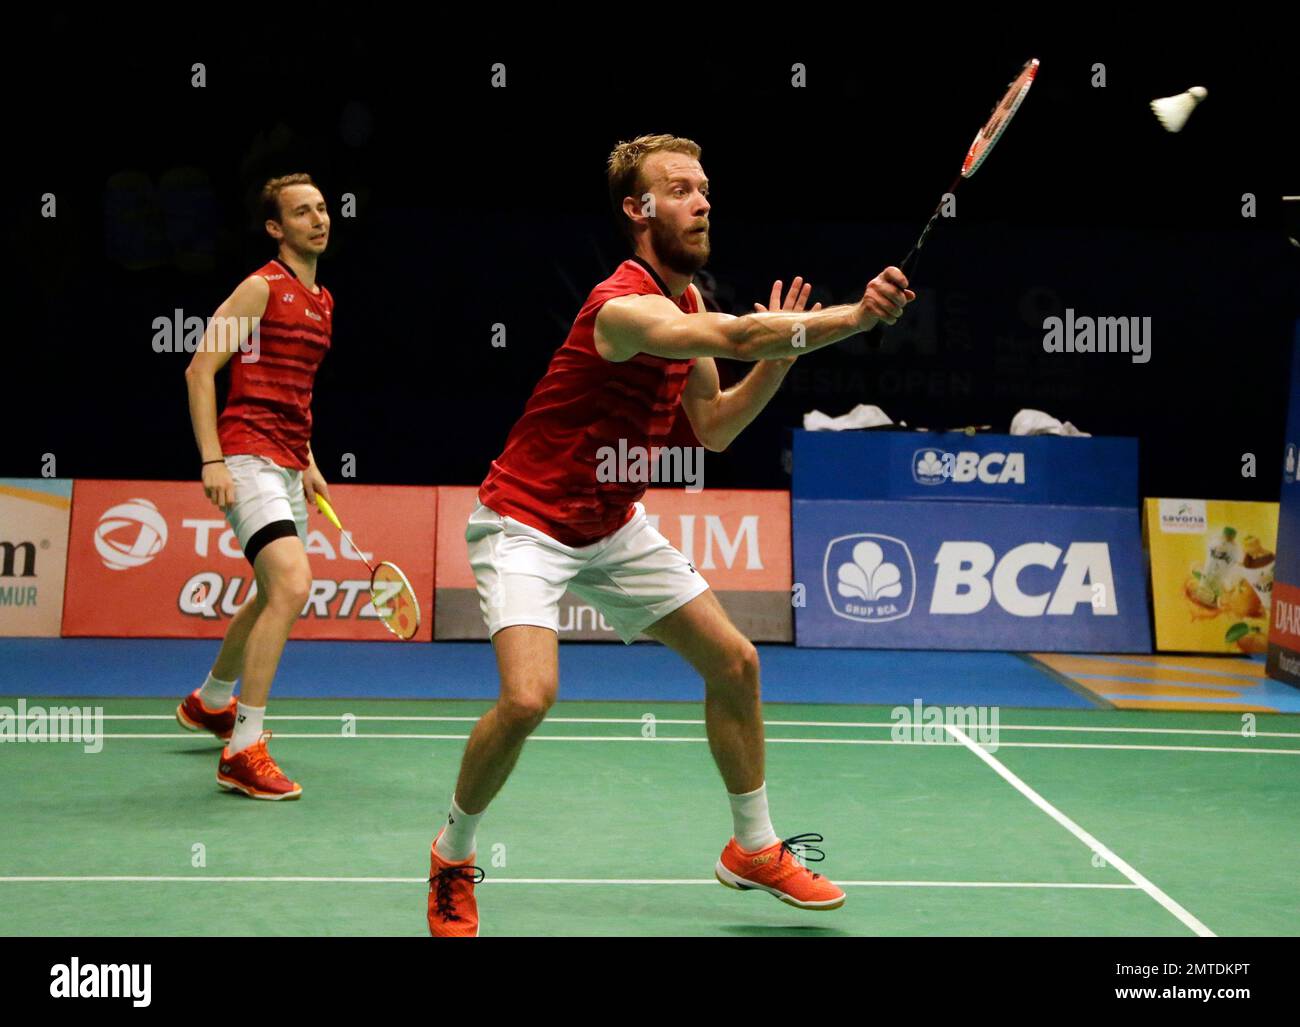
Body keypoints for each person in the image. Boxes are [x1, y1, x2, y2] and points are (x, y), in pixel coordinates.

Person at [428, 134, 914, 935]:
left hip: (613, 527)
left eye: (705, 188)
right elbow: (738, 335)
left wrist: (783, 359)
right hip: (525, 522)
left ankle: (753, 847)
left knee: (735, 661)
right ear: (638, 209)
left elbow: (715, 427)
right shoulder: (621, 309)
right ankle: (453, 854)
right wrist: (853, 319)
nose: (702, 201)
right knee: (527, 695)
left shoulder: (686, 304)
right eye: (681, 188)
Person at [176, 173, 334, 801]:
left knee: (272, 587)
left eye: (322, 208)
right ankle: (243, 748)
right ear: (277, 228)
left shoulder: (323, 300)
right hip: (245, 458)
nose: (319, 219)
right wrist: (211, 460)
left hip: (288, 462)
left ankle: (211, 701)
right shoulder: (259, 288)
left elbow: (294, 392)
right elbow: (199, 369)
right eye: (302, 212)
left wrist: (310, 459)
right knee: (294, 584)